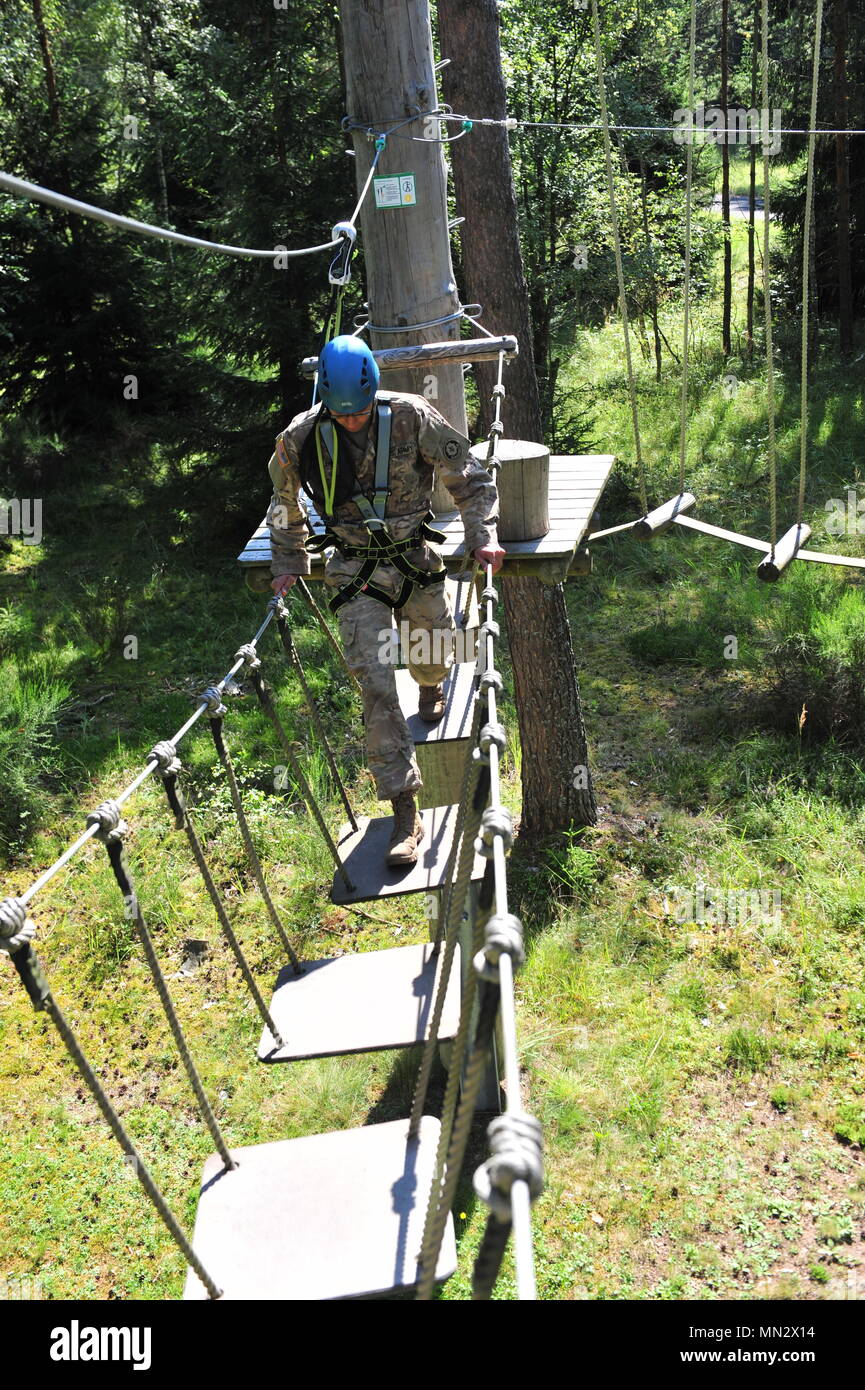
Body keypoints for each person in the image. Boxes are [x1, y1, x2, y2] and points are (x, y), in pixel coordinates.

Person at [266, 335, 504, 867]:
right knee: (374, 685)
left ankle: (431, 686)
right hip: (353, 570)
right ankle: (404, 808)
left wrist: (482, 534)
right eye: (340, 414)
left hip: (414, 559)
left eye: (359, 413)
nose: (351, 421)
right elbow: (283, 504)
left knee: (435, 654)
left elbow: (467, 478)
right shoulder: (300, 439)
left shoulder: (412, 417)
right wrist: (288, 563)